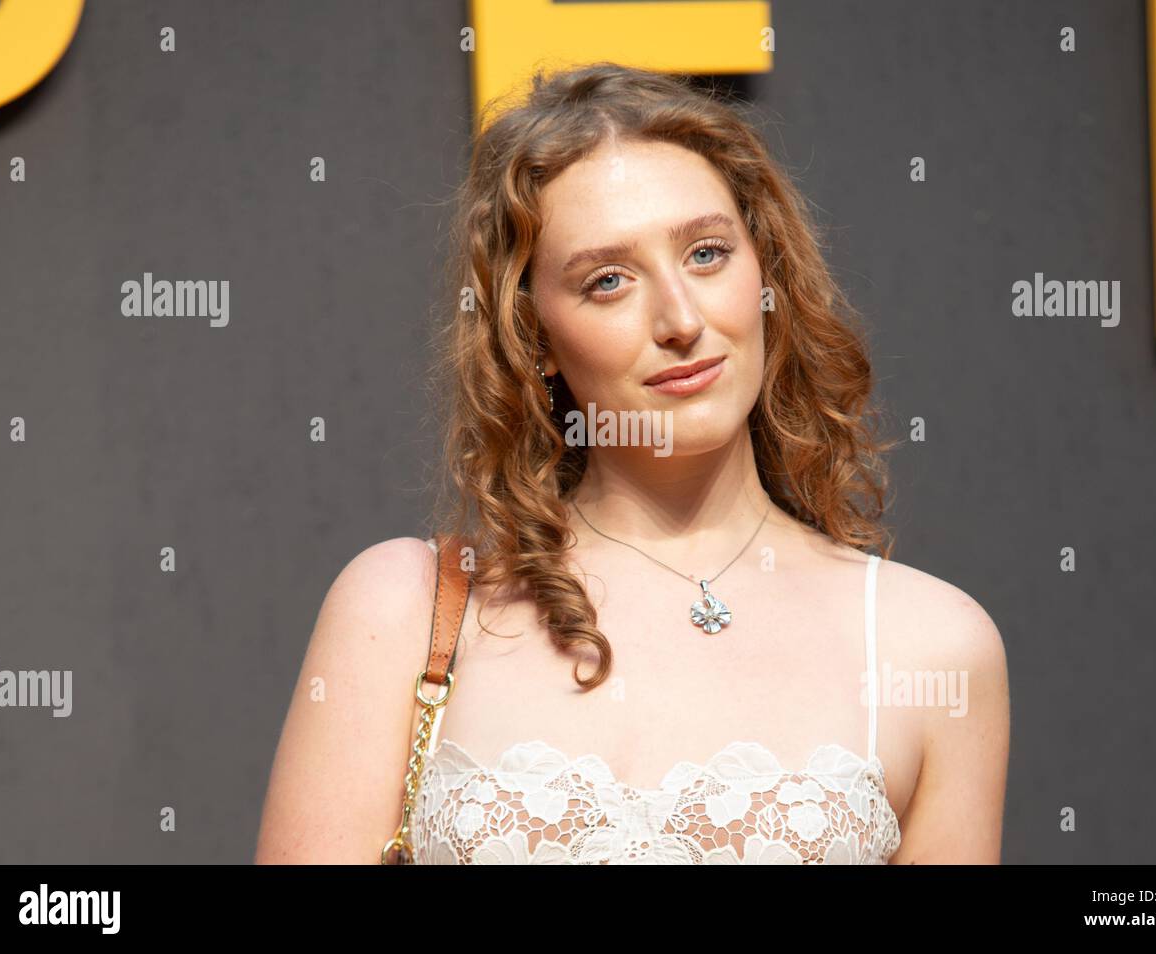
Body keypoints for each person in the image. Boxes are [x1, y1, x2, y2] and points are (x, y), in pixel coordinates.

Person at [255, 62, 1009, 865]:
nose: (681, 319)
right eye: (608, 281)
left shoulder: (928, 645)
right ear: (533, 336)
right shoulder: (403, 613)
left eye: (708, 254)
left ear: (769, 277)